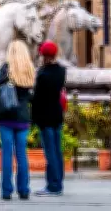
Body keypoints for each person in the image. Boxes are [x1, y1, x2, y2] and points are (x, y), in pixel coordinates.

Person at [0, 39, 35, 201]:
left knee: (7, 154)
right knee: (22, 154)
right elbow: (33, 96)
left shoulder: (7, 69)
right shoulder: (29, 69)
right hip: (23, 118)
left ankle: (7, 191)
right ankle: (24, 190)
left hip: (6, 117)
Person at [32, 40, 66, 197]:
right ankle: (59, 181)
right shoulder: (61, 71)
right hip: (57, 115)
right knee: (57, 150)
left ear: (43, 56)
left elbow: (37, 98)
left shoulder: (42, 74)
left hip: (45, 117)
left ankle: (53, 185)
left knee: (50, 152)